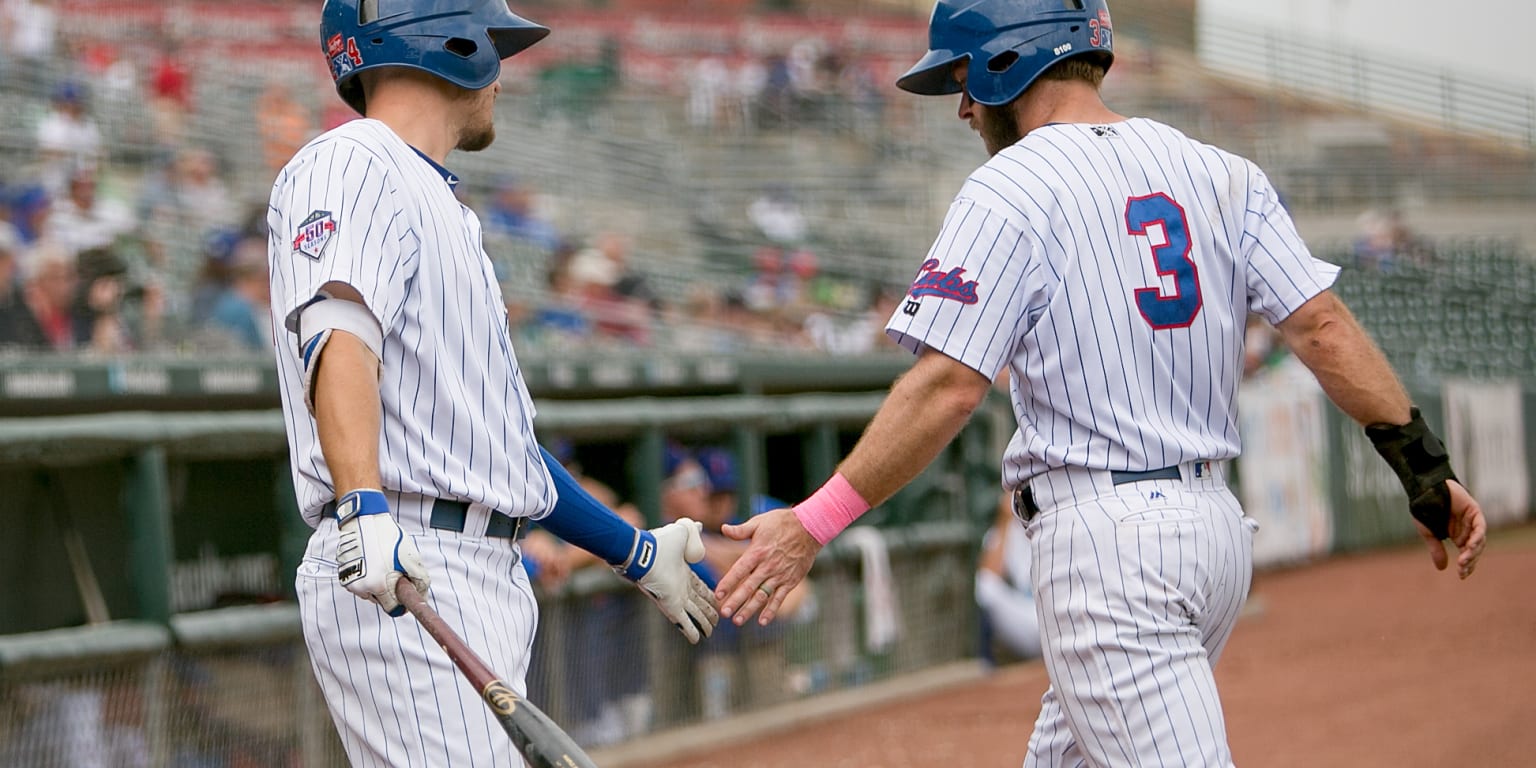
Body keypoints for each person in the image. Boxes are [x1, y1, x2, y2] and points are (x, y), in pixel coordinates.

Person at [714, 2, 1487, 766]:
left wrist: (813, 523)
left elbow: (948, 385)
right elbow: (1322, 328)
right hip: (1213, 531)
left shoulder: (1011, 185)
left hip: (1111, 550)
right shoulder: (1222, 171)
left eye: (962, 79)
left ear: (1004, 60)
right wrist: (1424, 468)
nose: (961, 107)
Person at [266, 3, 717, 766]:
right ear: (449, 38)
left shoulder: (434, 197)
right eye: (495, 43)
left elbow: (494, 450)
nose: (501, 74)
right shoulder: (354, 160)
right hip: (404, 561)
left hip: (472, 566)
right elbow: (338, 338)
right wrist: (363, 505)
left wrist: (633, 551)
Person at [974, 491, 1040, 664]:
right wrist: (1004, 519)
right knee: (985, 586)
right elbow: (988, 576)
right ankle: (986, 663)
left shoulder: (1057, 516)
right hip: (1028, 613)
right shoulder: (1007, 528)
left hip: (1061, 610)